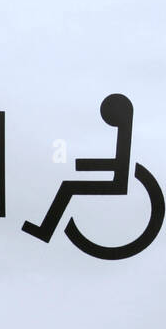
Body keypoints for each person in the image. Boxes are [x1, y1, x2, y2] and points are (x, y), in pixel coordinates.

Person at [22, 94, 134, 243]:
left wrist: (84, 164)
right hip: (117, 179)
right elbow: (116, 162)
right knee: (68, 186)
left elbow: (118, 164)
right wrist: (84, 164)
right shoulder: (123, 128)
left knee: (68, 187)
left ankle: (46, 230)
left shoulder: (124, 129)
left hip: (117, 182)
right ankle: (45, 230)